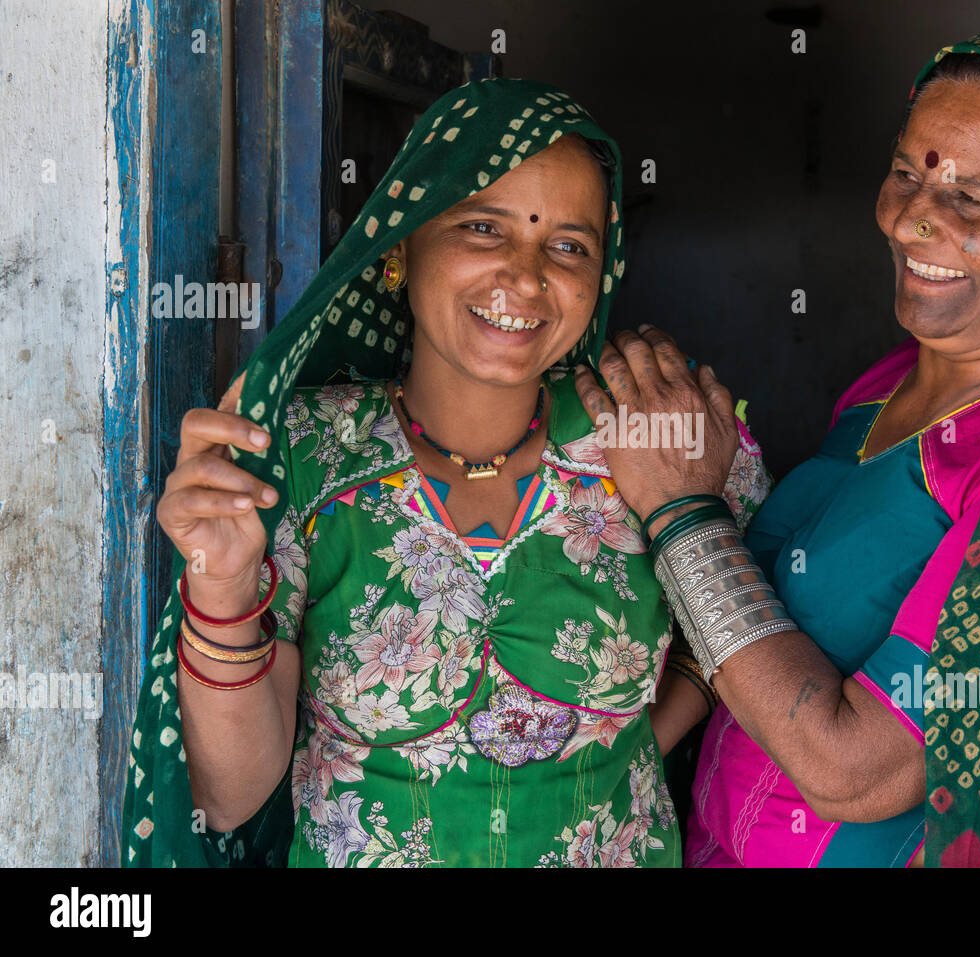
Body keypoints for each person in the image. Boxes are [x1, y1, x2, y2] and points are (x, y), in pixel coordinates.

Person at [578, 16, 980, 866]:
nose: (913, 219)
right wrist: (584, 783)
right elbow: (754, 640)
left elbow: (854, 771)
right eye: (905, 172)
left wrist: (682, 507)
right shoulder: (883, 386)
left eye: (971, 197)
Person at [121, 77, 769, 867]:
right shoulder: (302, 455)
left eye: (568, 245)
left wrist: (626, 747)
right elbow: (232, 796)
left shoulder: (650, 430)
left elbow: (742, 611)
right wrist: (220, 588)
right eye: (484, 227)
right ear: (400, 243)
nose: (526, 278)